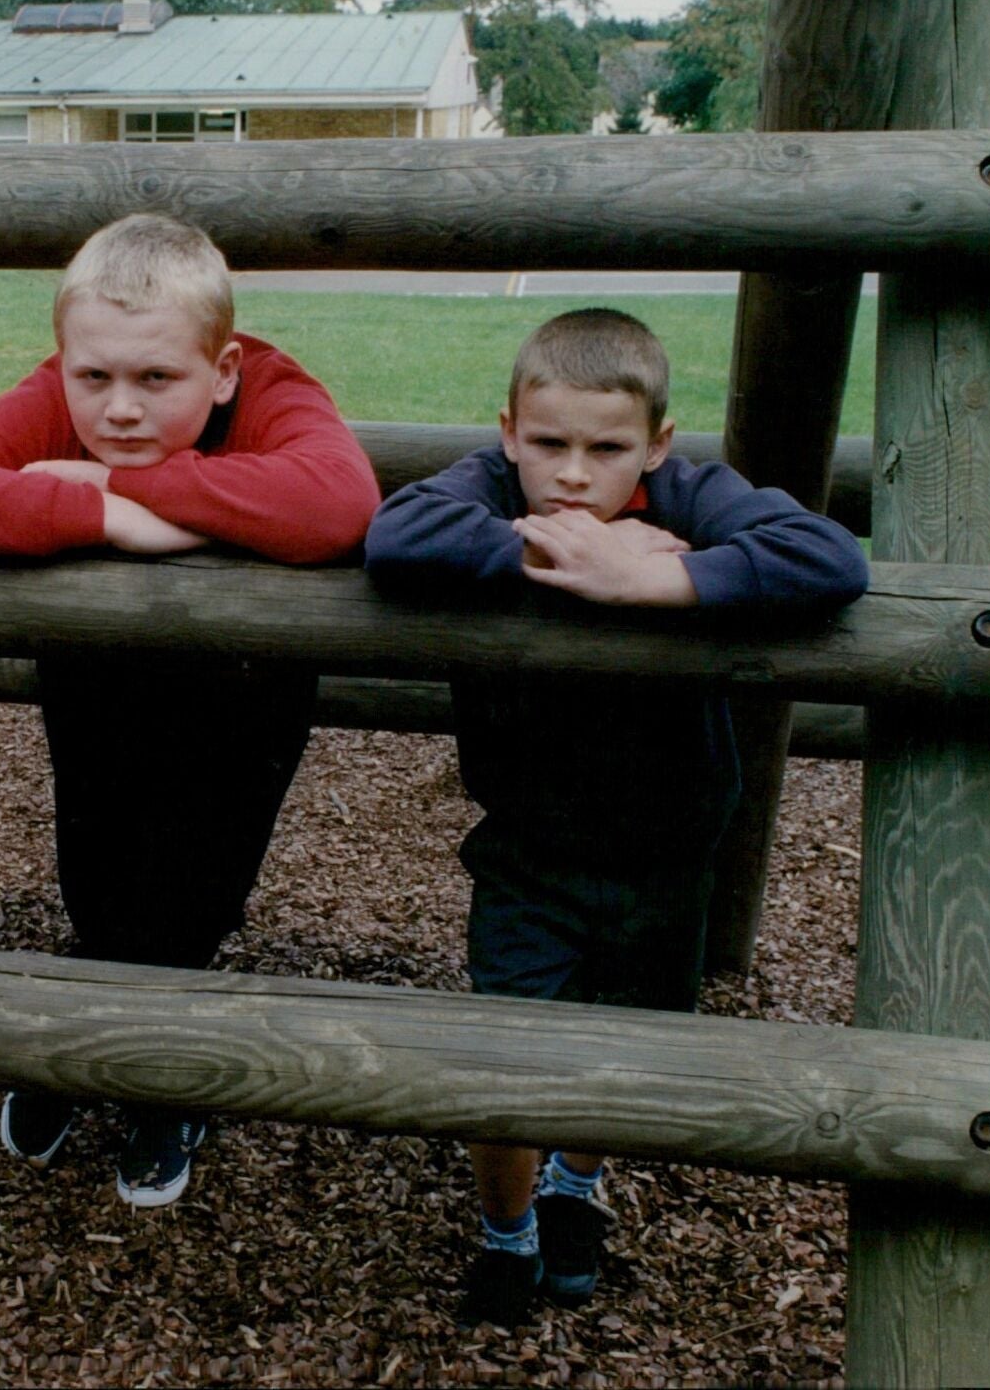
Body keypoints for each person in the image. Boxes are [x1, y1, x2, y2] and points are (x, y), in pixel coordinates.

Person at [363, 307, 869, 1328]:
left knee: (625, 1046)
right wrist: (550, 551)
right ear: (506, 430)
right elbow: (393, 533)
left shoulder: (690, 496)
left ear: (655, 445)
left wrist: (657, 575)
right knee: (498, 1056)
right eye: (546, 445)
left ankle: (570, 1188)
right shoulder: (488, 490)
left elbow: (827, 558)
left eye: (605, 450)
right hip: (526, 851)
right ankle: (503, 1233)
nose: (572, 473)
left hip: (669, 850)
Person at [0, 213, 380, 1207]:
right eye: (92, 378)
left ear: (221, 369)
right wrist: (107, 518)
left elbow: (334, 504)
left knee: (192, 889)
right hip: (97, 679)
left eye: (156, 380)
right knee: (94, 869)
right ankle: (81, 1041)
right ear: (63, 358)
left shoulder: (272, 391)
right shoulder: (59, 392)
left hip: (242, 694)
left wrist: (110, 480)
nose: (120, 407)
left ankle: (164, 1076)